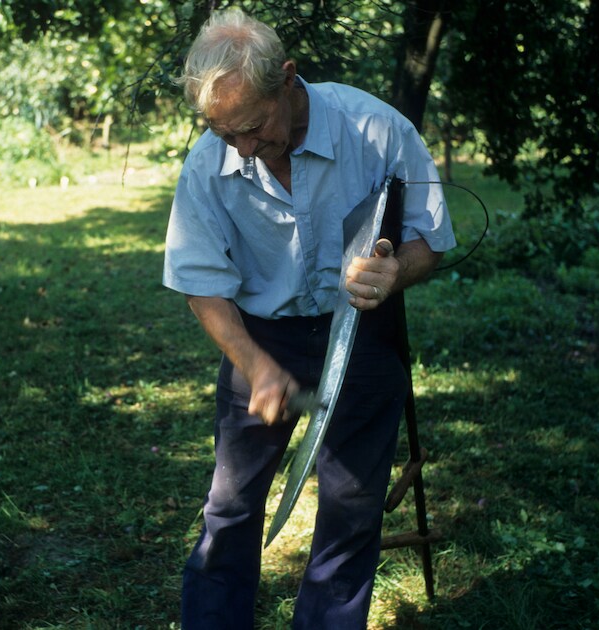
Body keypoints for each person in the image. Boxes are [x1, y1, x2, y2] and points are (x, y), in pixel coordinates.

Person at [161, 8, 457, 629]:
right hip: (259, 338)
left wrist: (395, 270)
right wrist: (256, 368)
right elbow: (201, 286)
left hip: (364, 336)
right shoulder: (207, 166)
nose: (241, 148)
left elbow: (431, 240)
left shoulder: (377, 129)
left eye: (252, 127)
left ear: (288, 79)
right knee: (231, 507)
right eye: (223, 133)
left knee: (351, 510)